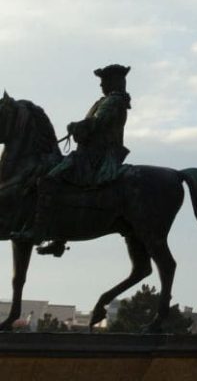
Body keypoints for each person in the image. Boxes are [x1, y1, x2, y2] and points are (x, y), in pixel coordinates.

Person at [23, 64, 133, 254]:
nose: (101, 86)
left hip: (96, 156)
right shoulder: (107, 101)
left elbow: (97, 124)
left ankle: (39, 233)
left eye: (103, 81)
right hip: (90, 153)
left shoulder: (114, 102)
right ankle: (58, 239)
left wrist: (77, 126)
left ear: (114, 81)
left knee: (49, 180)